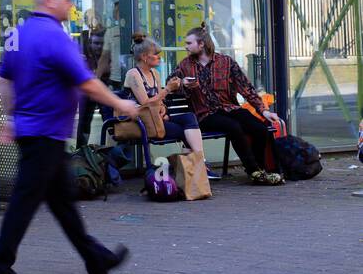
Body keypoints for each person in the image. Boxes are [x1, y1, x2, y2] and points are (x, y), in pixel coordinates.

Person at [0, 0, 136, 274]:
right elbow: (86, 82)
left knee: (62, 201)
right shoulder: (55, 37)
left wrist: (11, 117)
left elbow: (4, 78)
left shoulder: (17, 34)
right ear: (50, 0)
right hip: (45, 133)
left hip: (37, 132)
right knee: (25, 202)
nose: (72, 4)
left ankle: (96, 259)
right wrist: (119, 103)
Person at [169, 25, 284, 185]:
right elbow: (171, 84)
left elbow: (246, 88)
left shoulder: (226, 62)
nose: (185, 46)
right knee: (233, 127)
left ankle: (262, 168)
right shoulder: (185, 65)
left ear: (201, 44)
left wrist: (264, 111)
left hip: (228, 108)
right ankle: (254, 171)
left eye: (189, 43)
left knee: (260, 128)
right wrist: (182, 84)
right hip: (204, 114)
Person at [125, 34, 217, 179]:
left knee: (189, 117)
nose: (159, 57)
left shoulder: (154, 73)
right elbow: (145, 103)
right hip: (141, 122)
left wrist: (164, 109)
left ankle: (199, 164)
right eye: (155, 54)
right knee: (184, 131)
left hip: (157, 119)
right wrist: (168, 89)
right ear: (144, 57)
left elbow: (158, 101)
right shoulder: (133, 75)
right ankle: (198, 168)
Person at [75, 26, 108, 147]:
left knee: (109, 120)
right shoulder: (84, 55)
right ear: (90, 43)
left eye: (101, 43)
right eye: (96, 43)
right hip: (87, 91)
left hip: (103, 88)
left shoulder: (106, 56)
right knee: (84, 122)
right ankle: (82, 151)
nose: (98, 46)